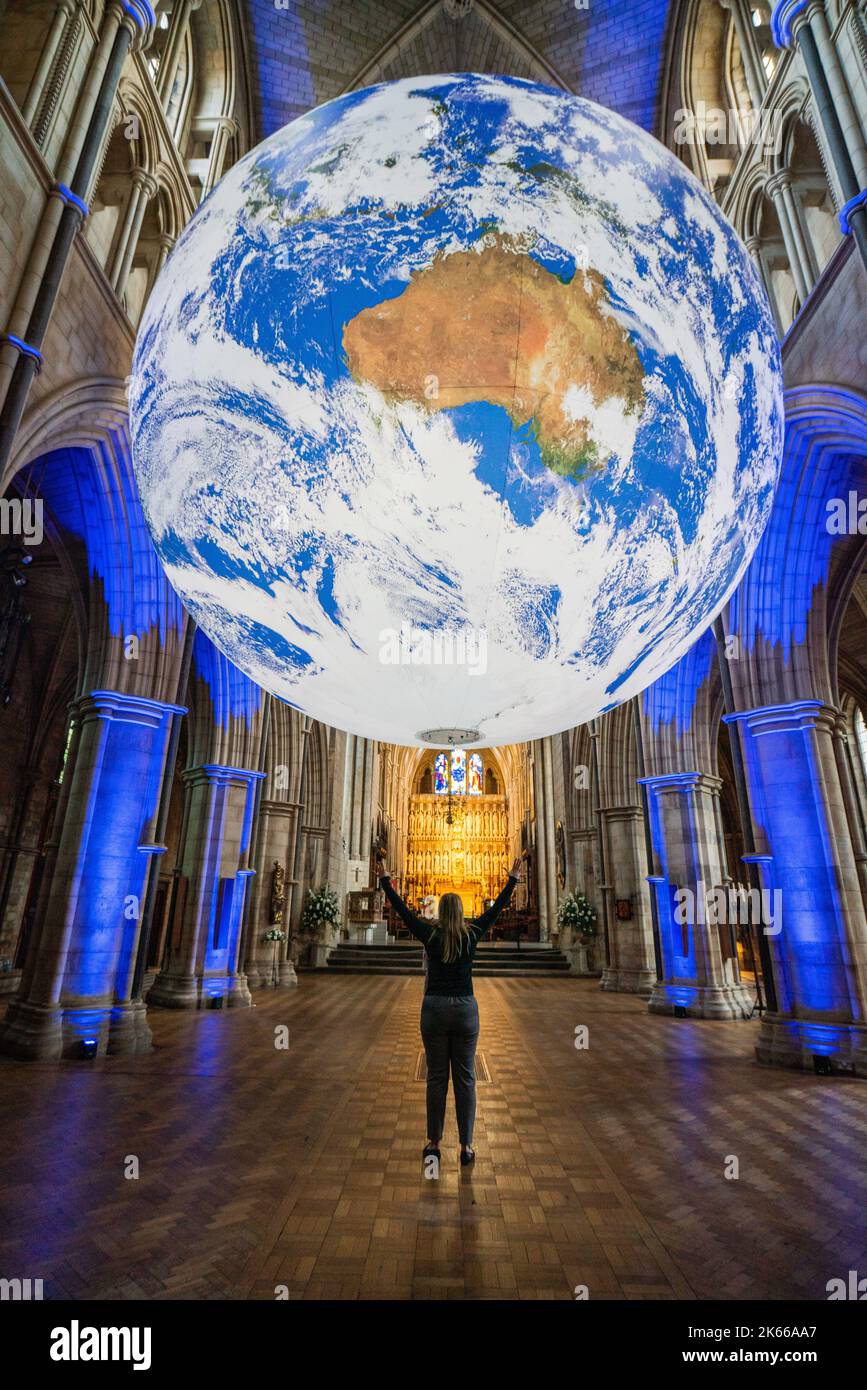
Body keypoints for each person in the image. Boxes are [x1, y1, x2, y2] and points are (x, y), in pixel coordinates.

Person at [376, 851, 525, 1167]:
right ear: (462, 913)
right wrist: (512, 880)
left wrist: (386, 881)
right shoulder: (472, 934)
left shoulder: (430, 934)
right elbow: (496, 910)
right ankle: (468, 1146)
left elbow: (403, 913)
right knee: (466, 1077)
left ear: (441, 912)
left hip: (434, 1009)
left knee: (436, 1077)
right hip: (465, 1010)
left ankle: (433, 1143)